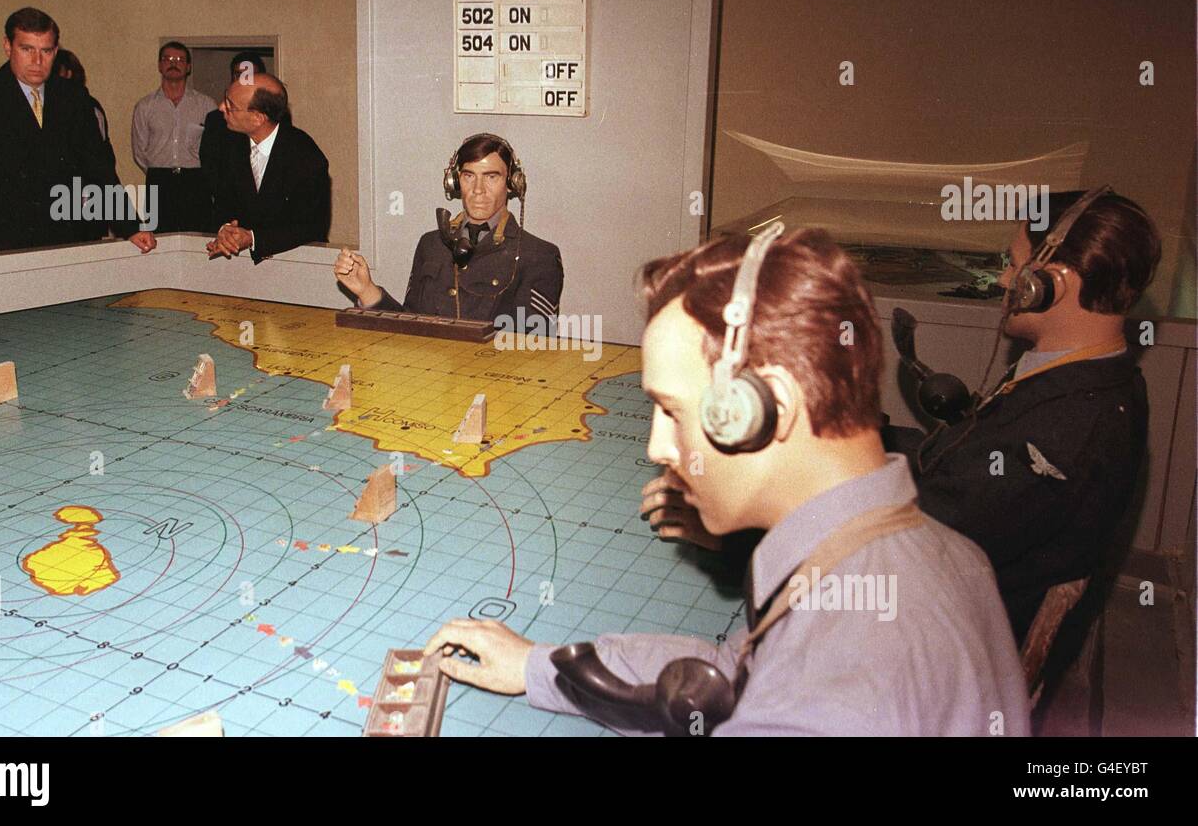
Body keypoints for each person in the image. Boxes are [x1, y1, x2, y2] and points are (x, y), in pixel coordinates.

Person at [425, 227, 1029, 736]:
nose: (657, 446)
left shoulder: (837, 694)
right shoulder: (930, 553)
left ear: (762, 408)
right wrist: (538, 666)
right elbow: (728, 672)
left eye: (675, 411)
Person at [893, 189, 1161, 645]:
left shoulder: (1063, 432)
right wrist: (864, 432)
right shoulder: (1093, 377)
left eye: (1015, 264)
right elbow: (968, 468)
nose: (1003, 280)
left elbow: (922, 534)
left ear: (1051, 282)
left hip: (951, 634)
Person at [0, 7, 139, 277]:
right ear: (8, 46)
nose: (37, 61)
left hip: (64, 242)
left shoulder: (74, 98)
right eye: (27, 49)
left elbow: (98, 169)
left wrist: (130, 227)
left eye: (47, 51)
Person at [334, 134, 563, 322]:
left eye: (491, 177)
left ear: (512, 183)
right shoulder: (431, 244)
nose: (478, 189)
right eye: (468, 176)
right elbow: (411, 324)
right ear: (455, 182)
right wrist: (366, 290)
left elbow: (534, 350)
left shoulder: (538, 256)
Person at [208, 73, 330, 262]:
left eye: (231, 106)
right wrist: (225, 230)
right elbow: (222, 201)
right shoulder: (228, 143)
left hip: (293, 264)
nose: (221, 108)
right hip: (239, 268)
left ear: (258, 118)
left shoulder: (305, 156)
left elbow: (311, 226)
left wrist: (252, 238)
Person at [131, 41, 215, 235]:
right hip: (160, 181)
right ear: (160, 65)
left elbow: (214, 149)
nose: (173, 63)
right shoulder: (145, 106)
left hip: (195, 181)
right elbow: (139, 151)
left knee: (198, 237)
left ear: (188, 67)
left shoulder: (206, 105)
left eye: (179, 60)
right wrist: (161, 171)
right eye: (167, 59)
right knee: (160, 237)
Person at [199, 51, 268, 212]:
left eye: (249, 75)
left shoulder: (272, 116)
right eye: (238, 75)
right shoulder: (217, 118)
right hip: (229, 205)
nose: (243, 80)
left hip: (264, 205)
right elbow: (209, 162)